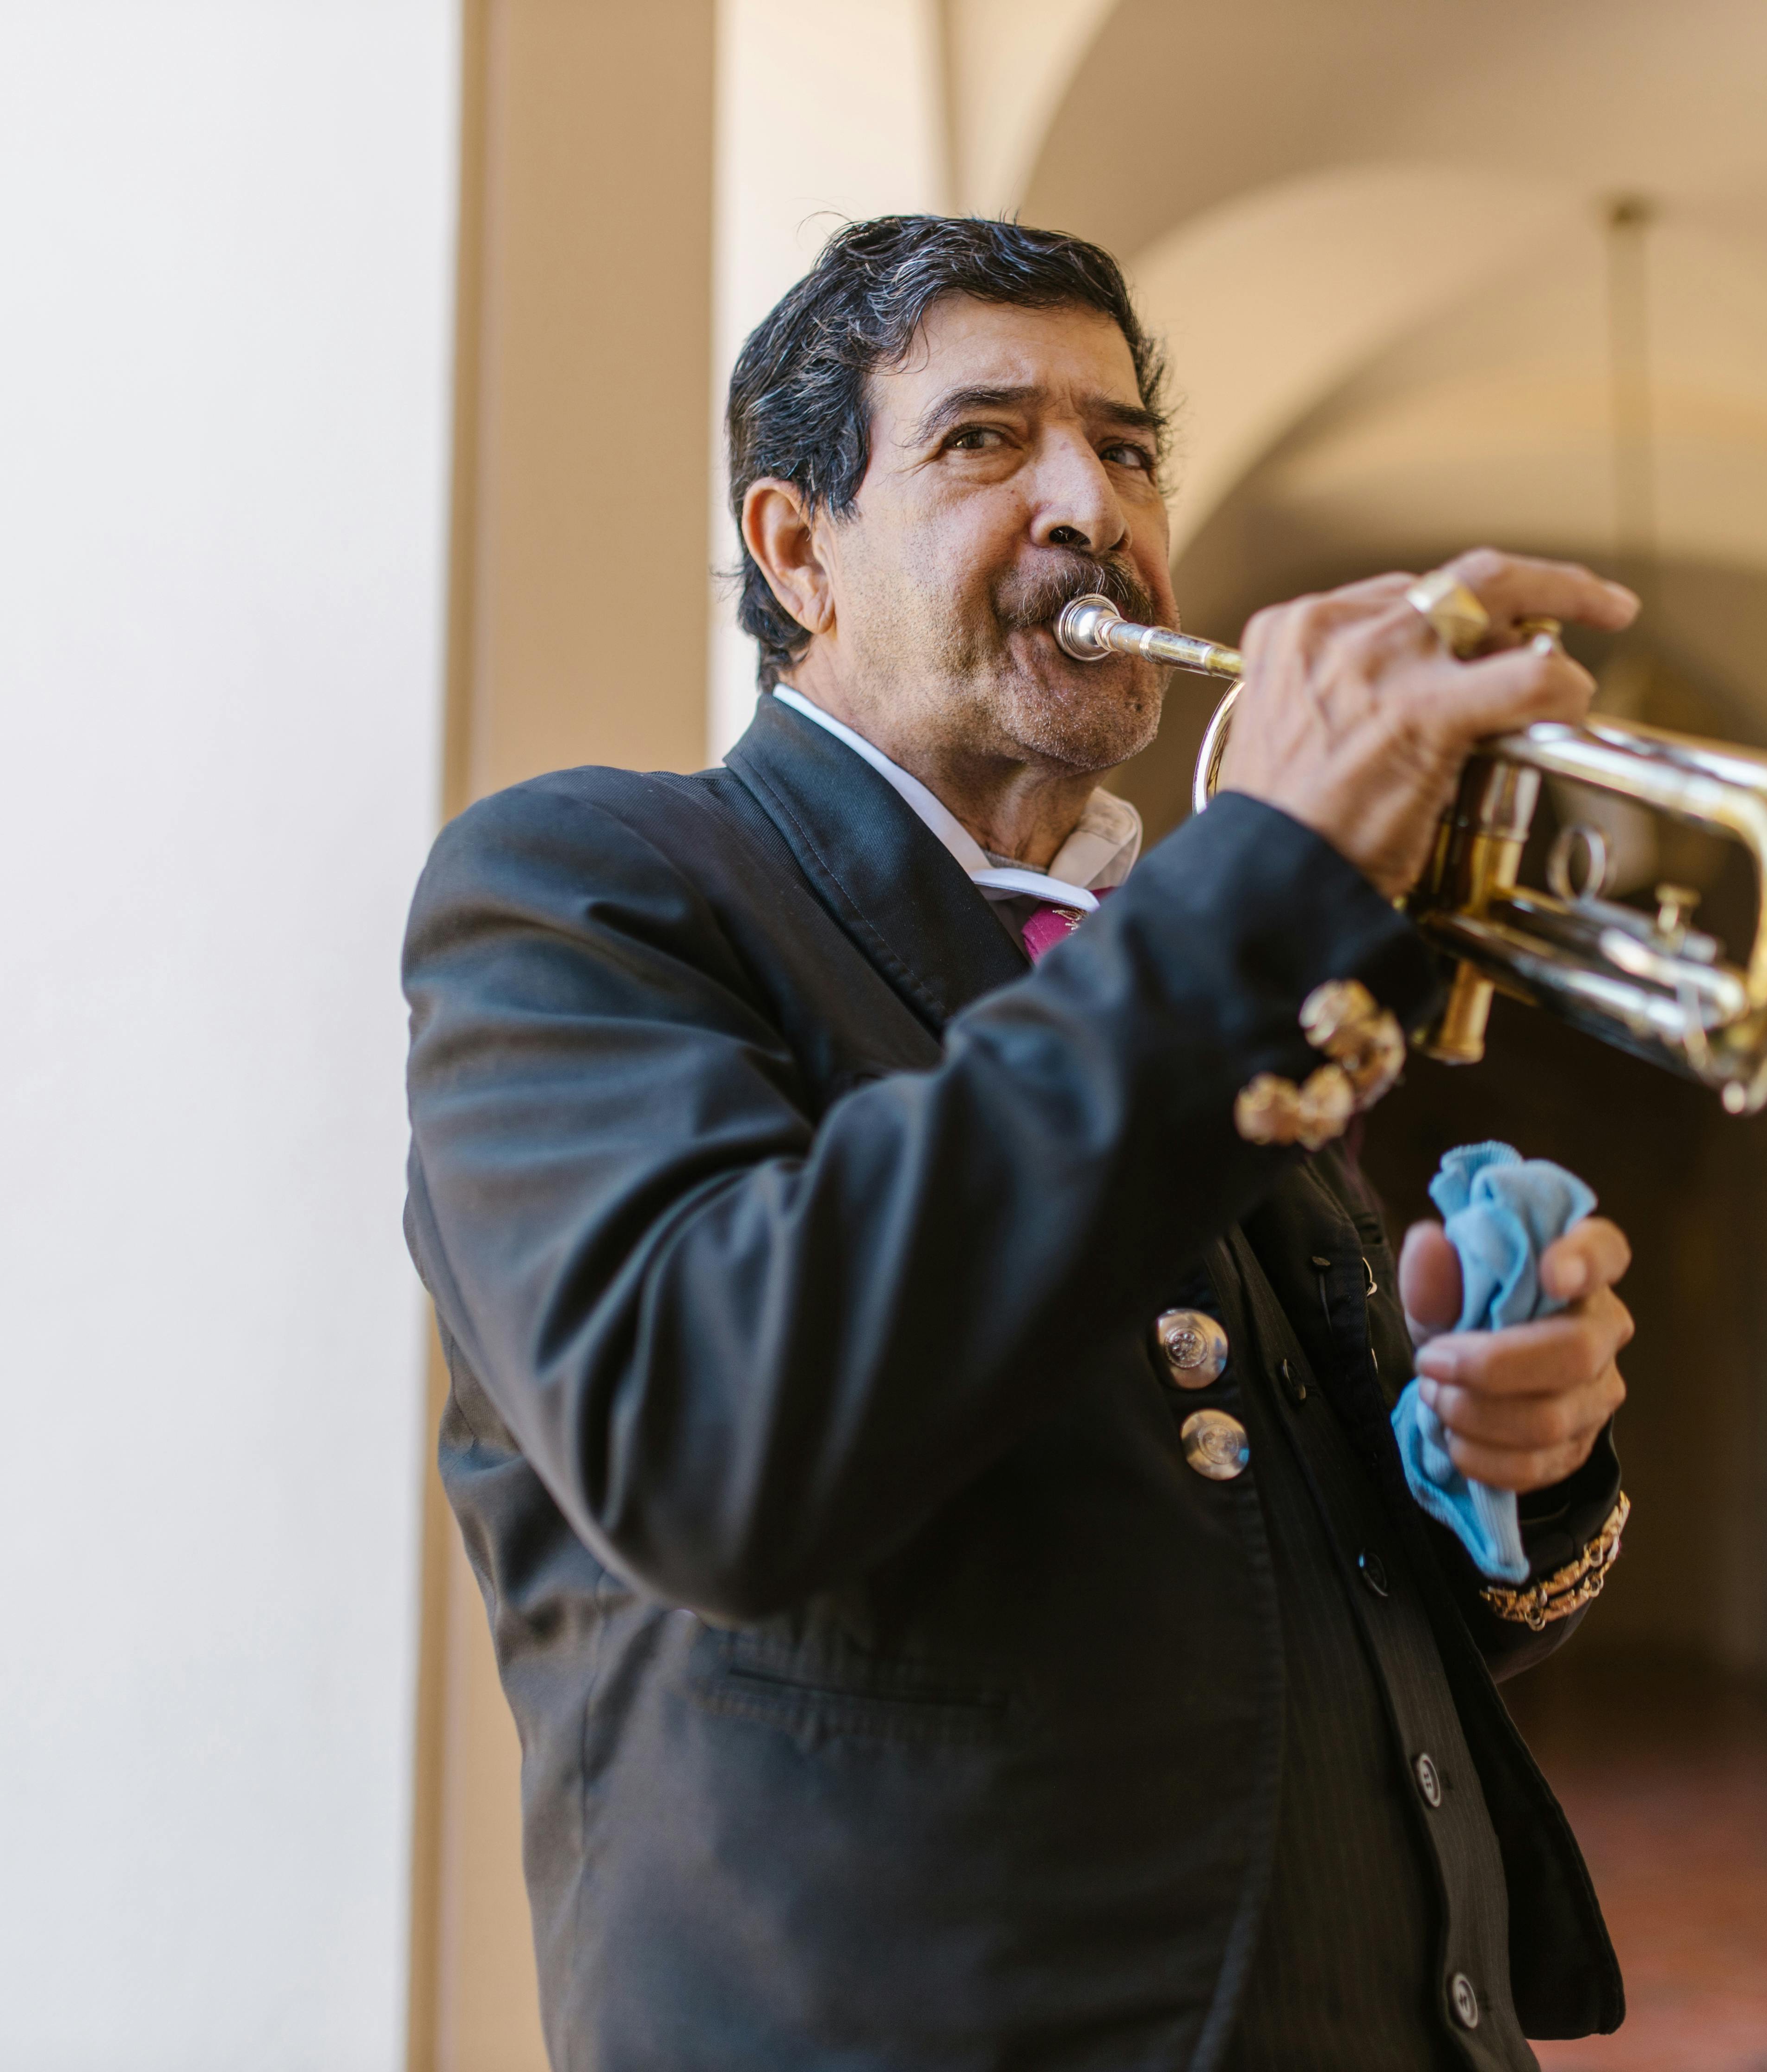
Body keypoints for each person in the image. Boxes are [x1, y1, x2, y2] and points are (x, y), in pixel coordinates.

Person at [402, 215, 1644, 2072]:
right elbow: (710, 1434)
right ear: (797, 548)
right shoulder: (589, 888)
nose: (1094, 502)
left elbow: (1309, 1601)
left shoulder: (1174, 955)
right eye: (987, 438)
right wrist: (1266, 891)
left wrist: (1509, 1459)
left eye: (1129, 450)